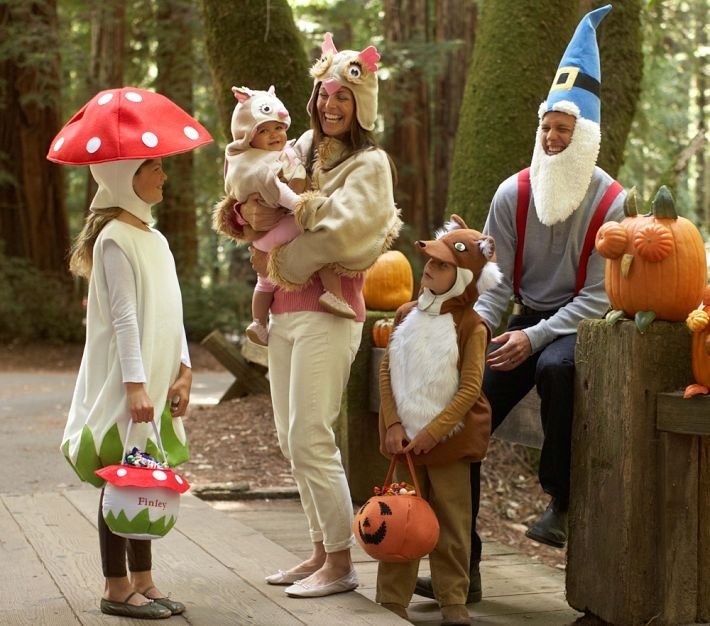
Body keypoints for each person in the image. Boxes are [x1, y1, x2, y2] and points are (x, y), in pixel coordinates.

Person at [414, 3, 626, 603]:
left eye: (565, 129)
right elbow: (498, 283)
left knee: (560, 369)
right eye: (547, 128)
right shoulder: (513, 193)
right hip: (525, 317)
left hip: (583, 327)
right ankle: (464, 570)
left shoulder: (612, 200)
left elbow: (599, 295)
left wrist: (535, 337)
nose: (553, 138)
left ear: (585, 137)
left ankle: (558, 497)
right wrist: (472, 335)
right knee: (467, 412)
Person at [229, 32, 402, 598]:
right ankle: (318, 550)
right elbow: (267, 202)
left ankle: (341, 562)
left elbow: (347, 232)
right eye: (325, 95)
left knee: (311, 434)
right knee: (288, 436)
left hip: (331, 313)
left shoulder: (371, 163)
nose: (330, 106)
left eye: (343, 99)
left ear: (361, 105)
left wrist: (281, 250)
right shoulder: (300, 144)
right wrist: (245, 214)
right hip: (283, 313)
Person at [48, 87, 212, 619]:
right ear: (126, 175)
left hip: (159, 379)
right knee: (122, 477)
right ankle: (116, 586)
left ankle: (144, 578)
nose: (163, 175)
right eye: (154, 167)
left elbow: (173, 310)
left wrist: (184, 372)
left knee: (147, 474)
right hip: (129, 382)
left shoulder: (155, 238)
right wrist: (136, 385)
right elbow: (124, 320)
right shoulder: (115, 238)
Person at [375, 216, 502, 626]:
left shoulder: (471, 326)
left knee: (451, 522)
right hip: (405, 440)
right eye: (430, 261)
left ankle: (452, 600)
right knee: (401, 517)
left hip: (448, 440)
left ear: (464, 277)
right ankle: (393, 599)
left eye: (443, 265)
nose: (429, 269)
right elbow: (387, 370)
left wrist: (434, 431)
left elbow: (469, 388)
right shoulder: (405, 315)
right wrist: (394, 424)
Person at [213, 85, 355, 347]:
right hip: (283, 300)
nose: (274, 135)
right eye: (264, 131)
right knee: (319, 251)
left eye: (278, 128)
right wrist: (243, 215)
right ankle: (333, 294)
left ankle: (258, 321)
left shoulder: (364, 159)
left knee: (265, 281)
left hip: (315, 315)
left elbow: (358, 223)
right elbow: (262, 197)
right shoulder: (284, 152)